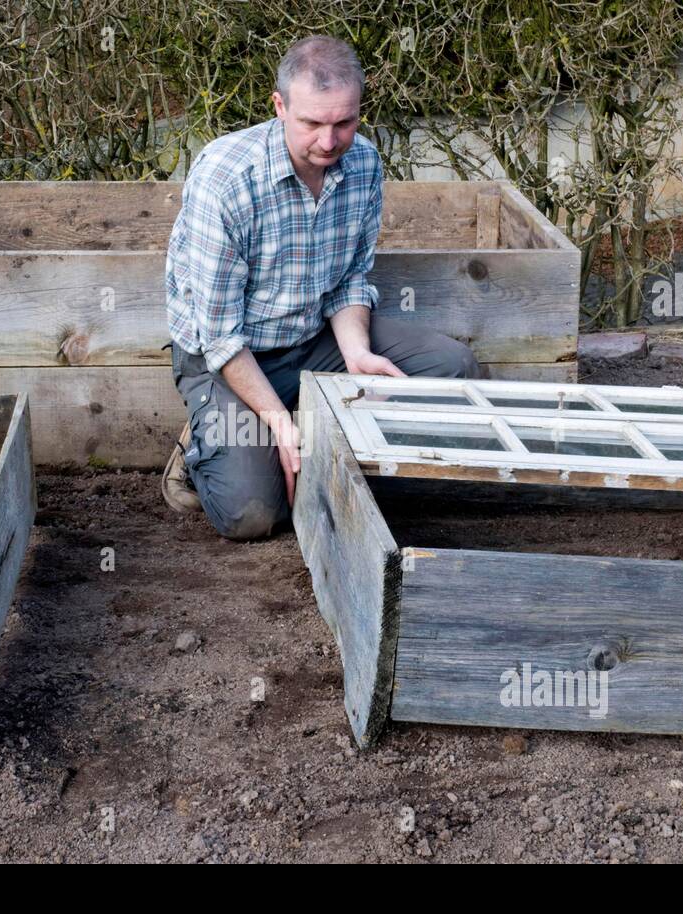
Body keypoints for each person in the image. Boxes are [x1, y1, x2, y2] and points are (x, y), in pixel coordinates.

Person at [162, 34, 480, 540]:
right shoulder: (226, 181)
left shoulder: (364, 165)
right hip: (228, 359)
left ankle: (309, 424)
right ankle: (202, 445)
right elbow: (219, 337)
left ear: (359, 110)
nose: (329, 143)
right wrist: (282, 428)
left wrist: (355, 353)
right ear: (280, 106)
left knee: (453, 366)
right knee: (254, 515)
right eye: (312, 123)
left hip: (314, 341)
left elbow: (350, 277)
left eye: (344, 123)